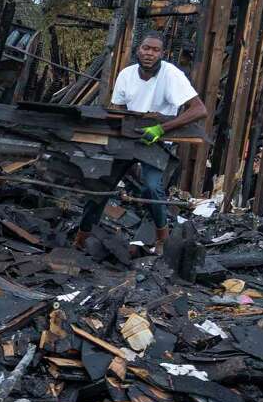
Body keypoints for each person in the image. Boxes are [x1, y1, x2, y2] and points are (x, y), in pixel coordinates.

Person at [74, 31, 207, 250]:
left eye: (155, 50)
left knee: (152, 189)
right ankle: (81, 238)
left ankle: (162, 239)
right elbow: (118, 110)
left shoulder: (171, 75)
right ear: (139, 50)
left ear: (162, 54)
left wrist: (161, 129)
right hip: (128, 137)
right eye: (146, 48)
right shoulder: (126, 75)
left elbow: (199, 110)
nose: (149, 53)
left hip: (156, 140)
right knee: (100, 183)